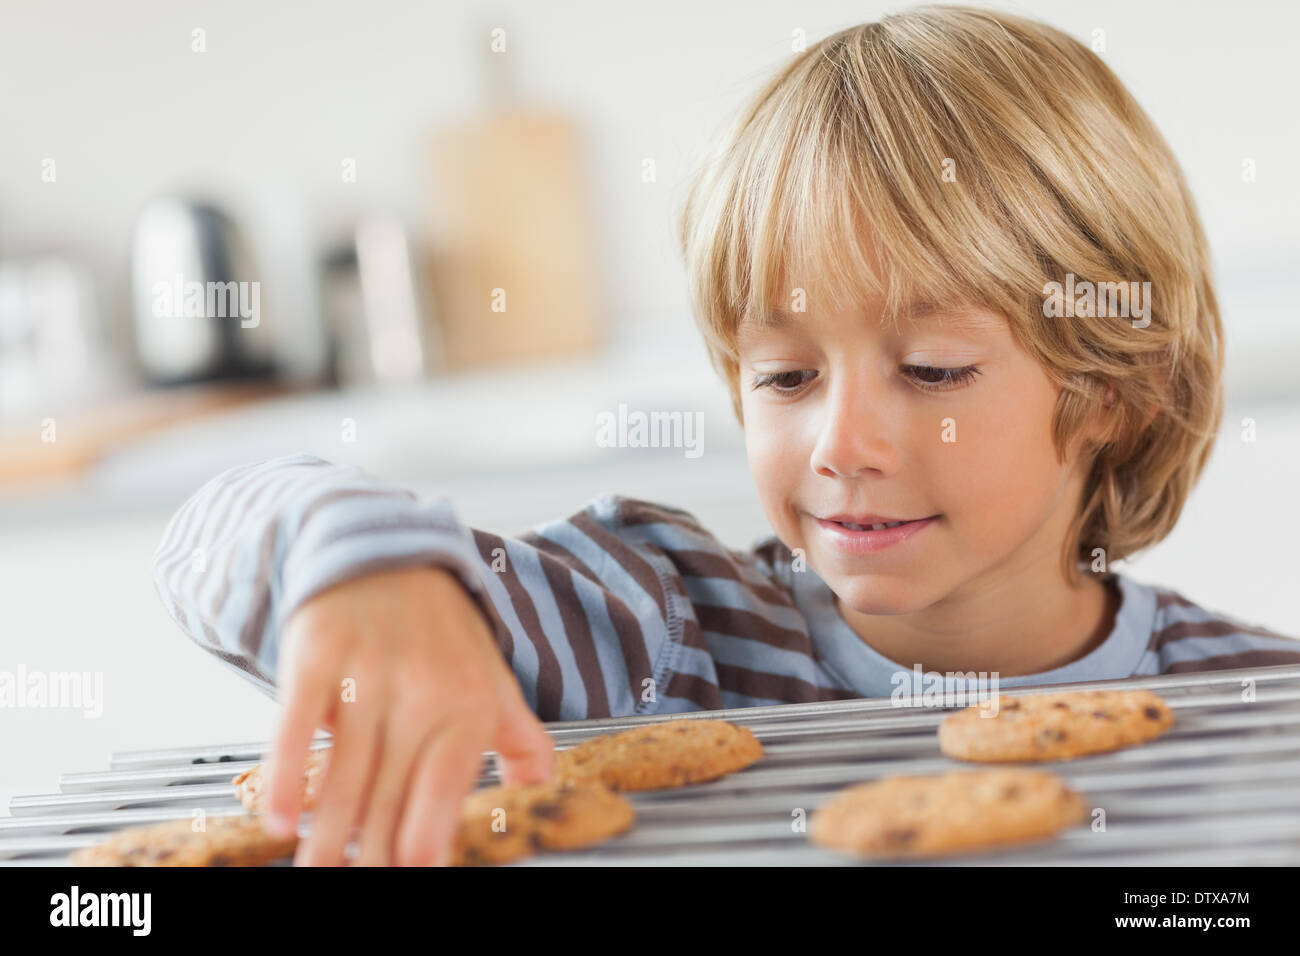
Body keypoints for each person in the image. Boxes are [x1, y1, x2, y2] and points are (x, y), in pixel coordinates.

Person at [152, 6, 1300, 867]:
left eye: (932, 368)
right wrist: (362, 572)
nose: (840, 442)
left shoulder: (1257, 701)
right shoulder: (655, 628)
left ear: (1111, 387)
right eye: (787, 374)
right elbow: (216, 525)